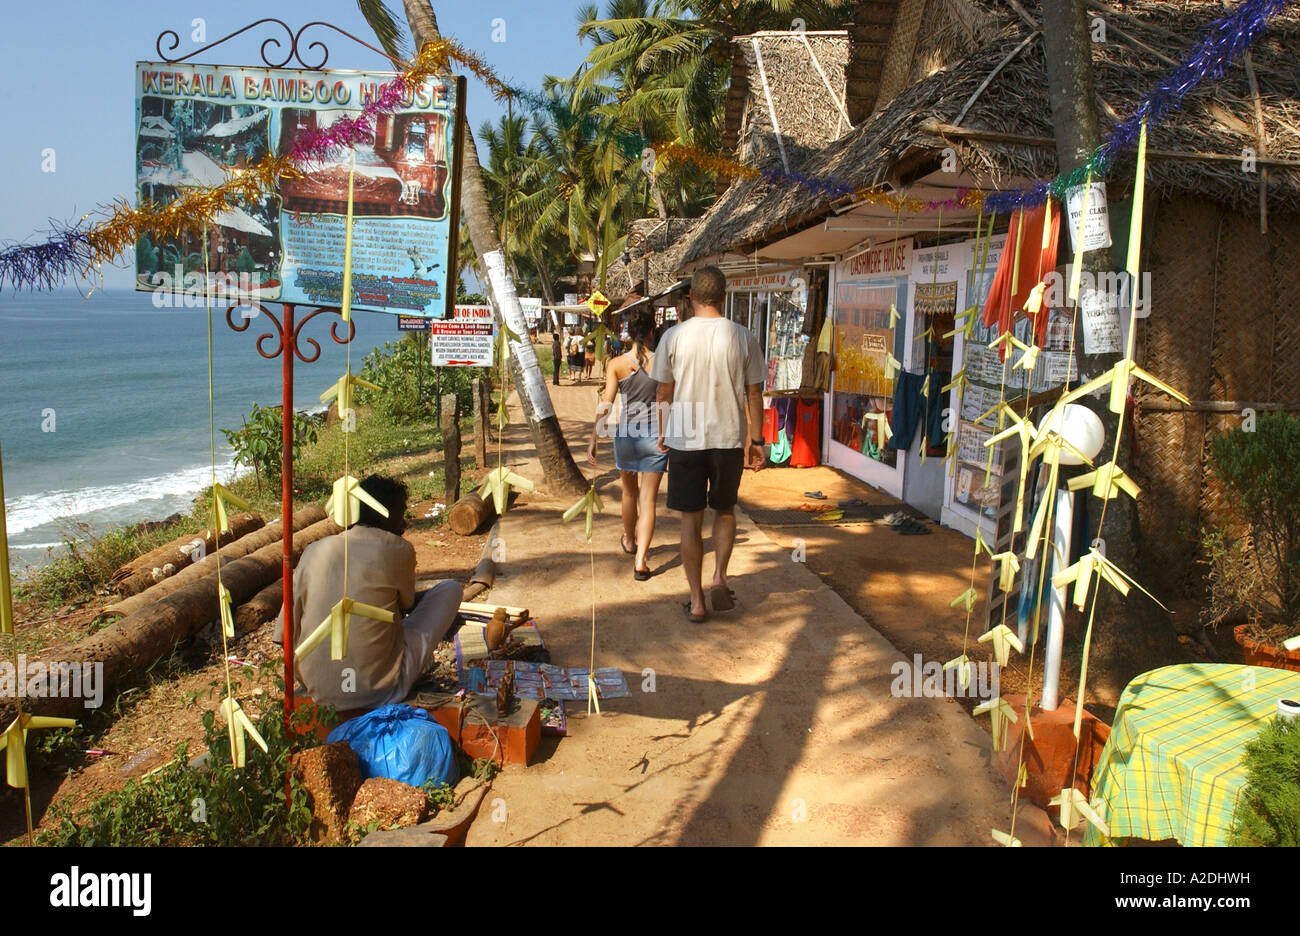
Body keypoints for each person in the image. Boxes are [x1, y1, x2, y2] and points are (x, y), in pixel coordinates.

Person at [284, 474, 463, 711]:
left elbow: (284, 630)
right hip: (379, 691)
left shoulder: (313, 551)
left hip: (318, 688)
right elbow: (406, 606)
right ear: (384, 513)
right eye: (401, 512)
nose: (405, 523)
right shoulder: (397, 548)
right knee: (451, 588)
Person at [651, 266, 766, 623]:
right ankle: (719, 575)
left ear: (690, 298)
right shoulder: (744, 336)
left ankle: (697, 600)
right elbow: (754, 393)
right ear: (724, 296)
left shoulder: (673, 336)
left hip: (685, 437)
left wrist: (663, 430)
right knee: (725, 510)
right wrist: (757, 439)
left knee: (691, 519)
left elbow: (663, 391)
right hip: (728, 437)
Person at [587, 309, 667, 580]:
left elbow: (607, 403)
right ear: (653, 331)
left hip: (627, 436)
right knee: (649, 500)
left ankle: (630, 541)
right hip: (655, 437)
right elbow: (667, 402)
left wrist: (594, 437)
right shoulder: (662, 363)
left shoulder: (617, 364)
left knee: (629, 494)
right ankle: (641, 561)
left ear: (629, 333)